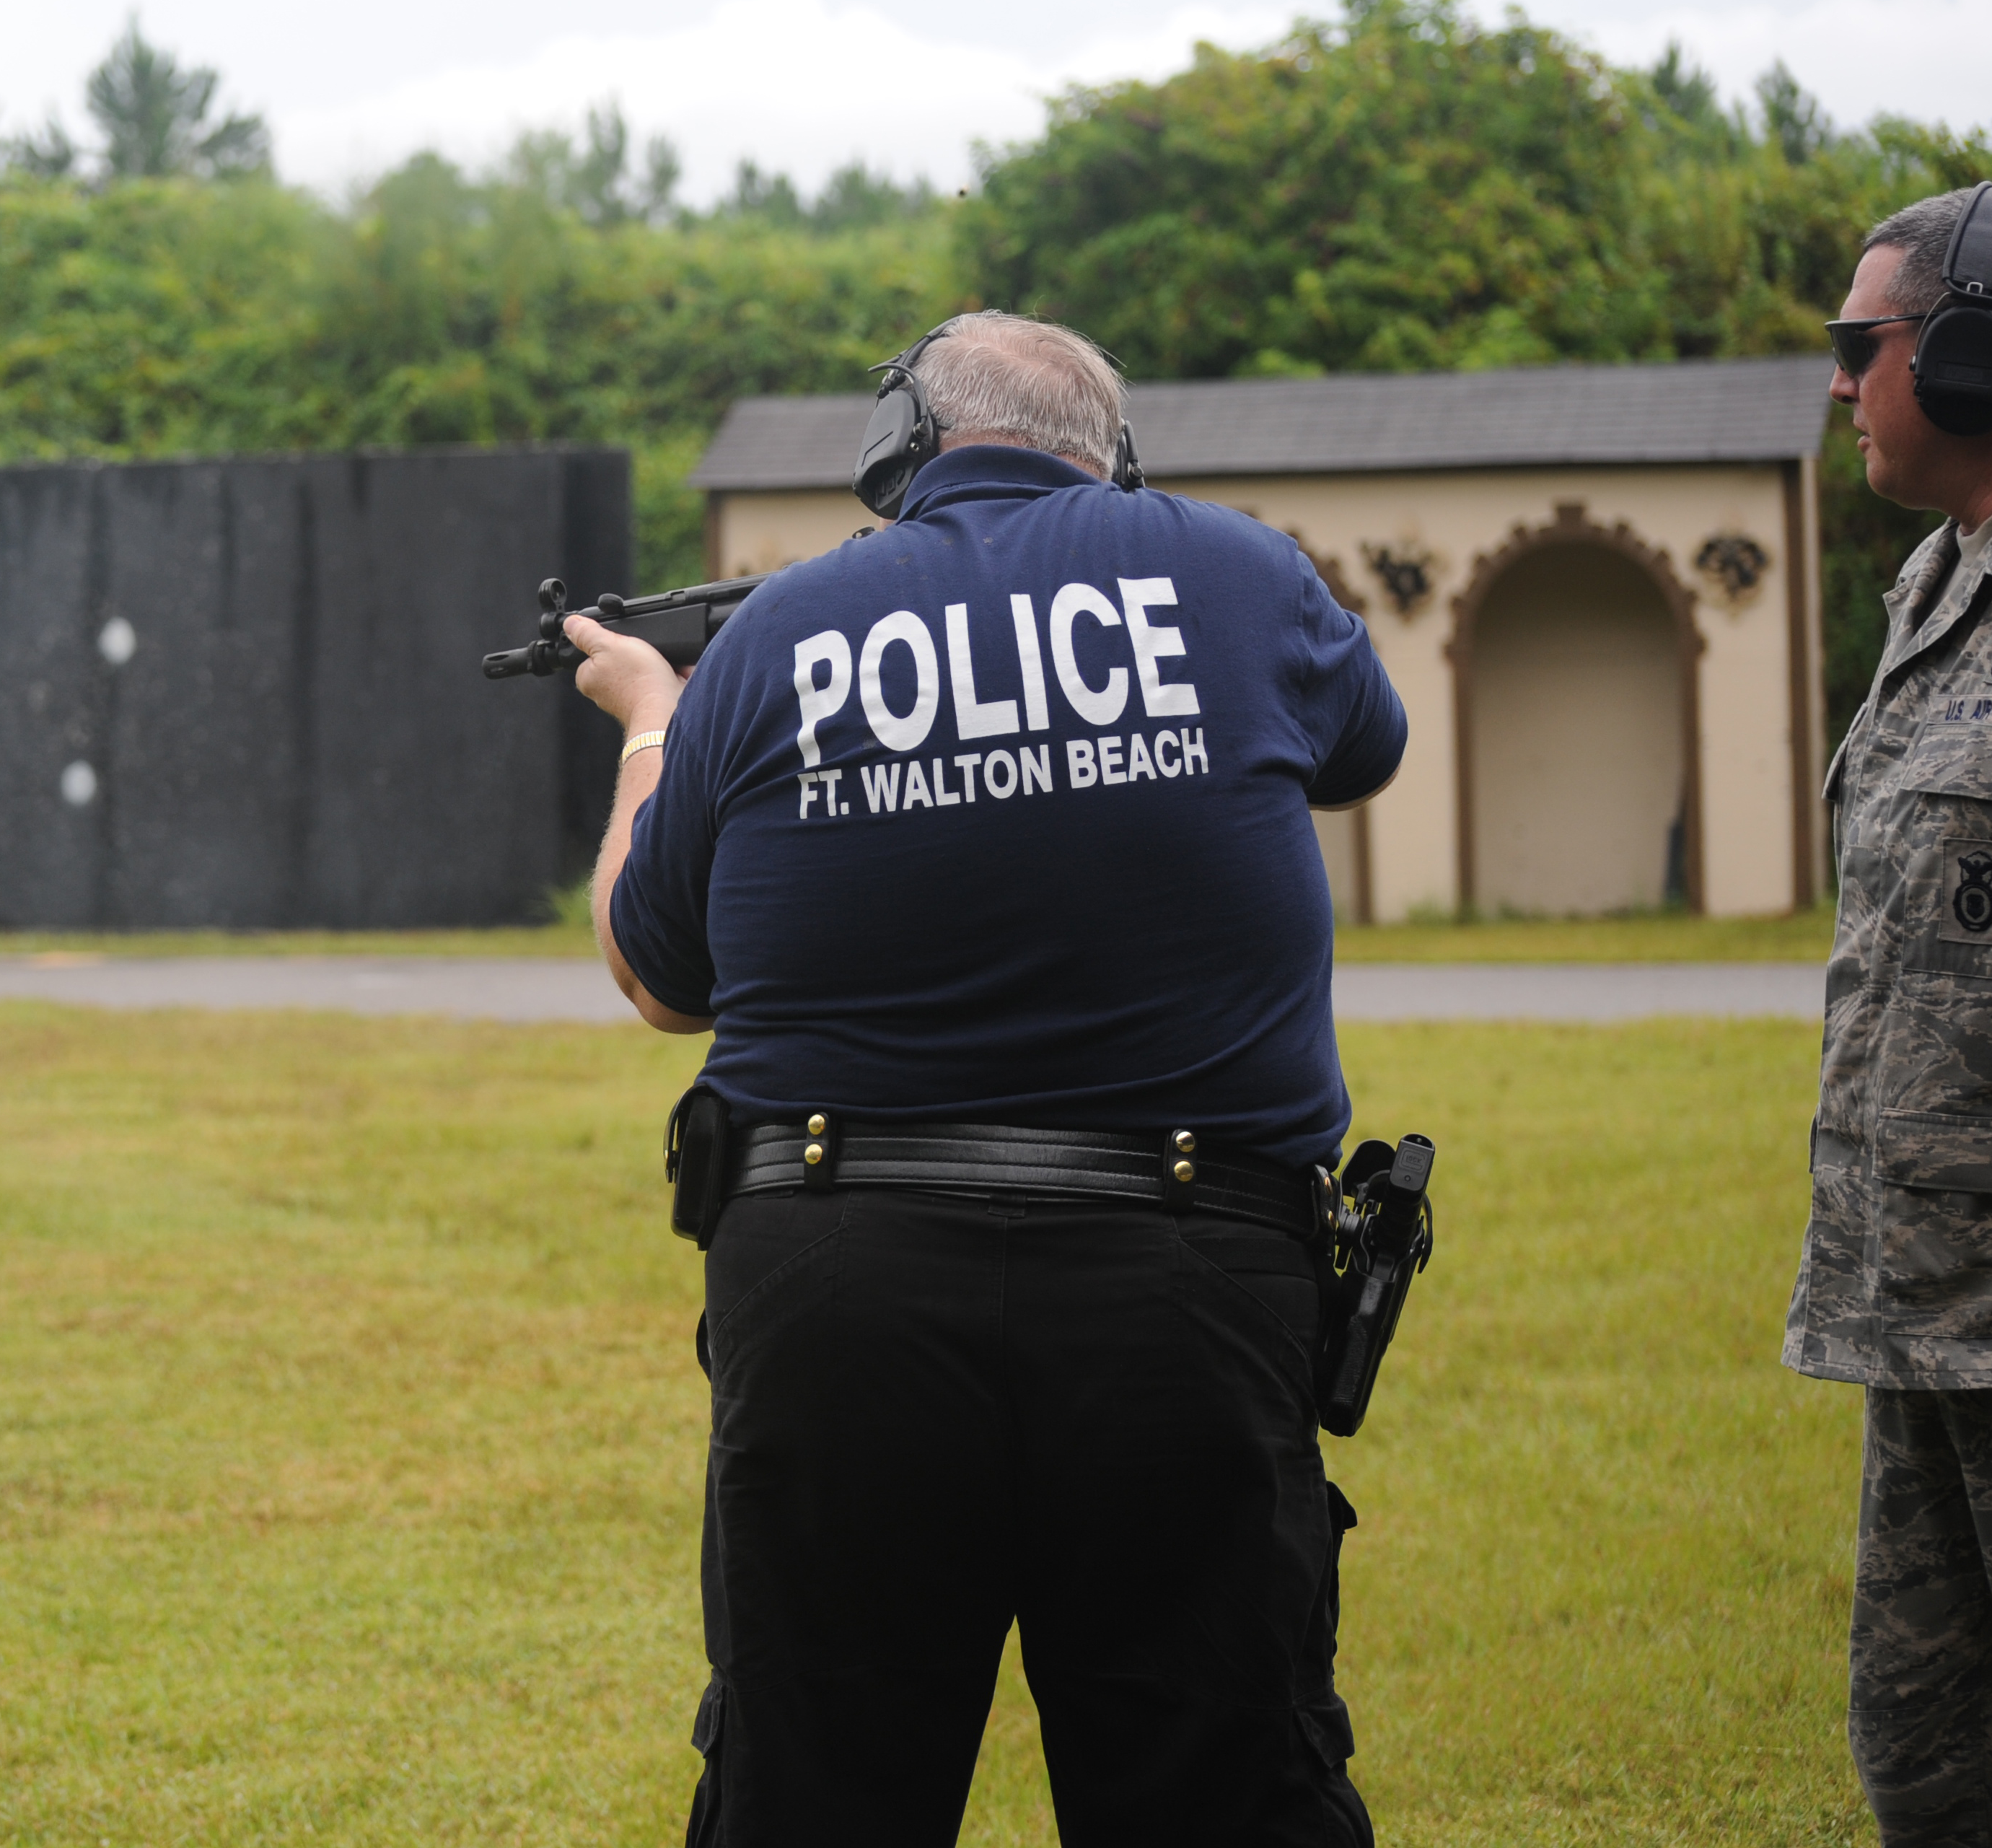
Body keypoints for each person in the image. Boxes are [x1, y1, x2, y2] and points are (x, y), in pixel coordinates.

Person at [562, 311, 1405, 1846]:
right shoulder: (1245, 573)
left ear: (902, 449)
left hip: (838, 1286)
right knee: (1219, 1781)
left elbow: (653, 977)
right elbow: (1353, 745)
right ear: (1116, 456)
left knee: (815, 1785)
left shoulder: (771, 638)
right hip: (1189, 1279)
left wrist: (651, 731)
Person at [1786, 180, 1992, 1843]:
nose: (1835, 384)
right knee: (1933, 1763)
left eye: (1857, 345)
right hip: (1926, 1307)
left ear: (1969, 359)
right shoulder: (1941, 592)